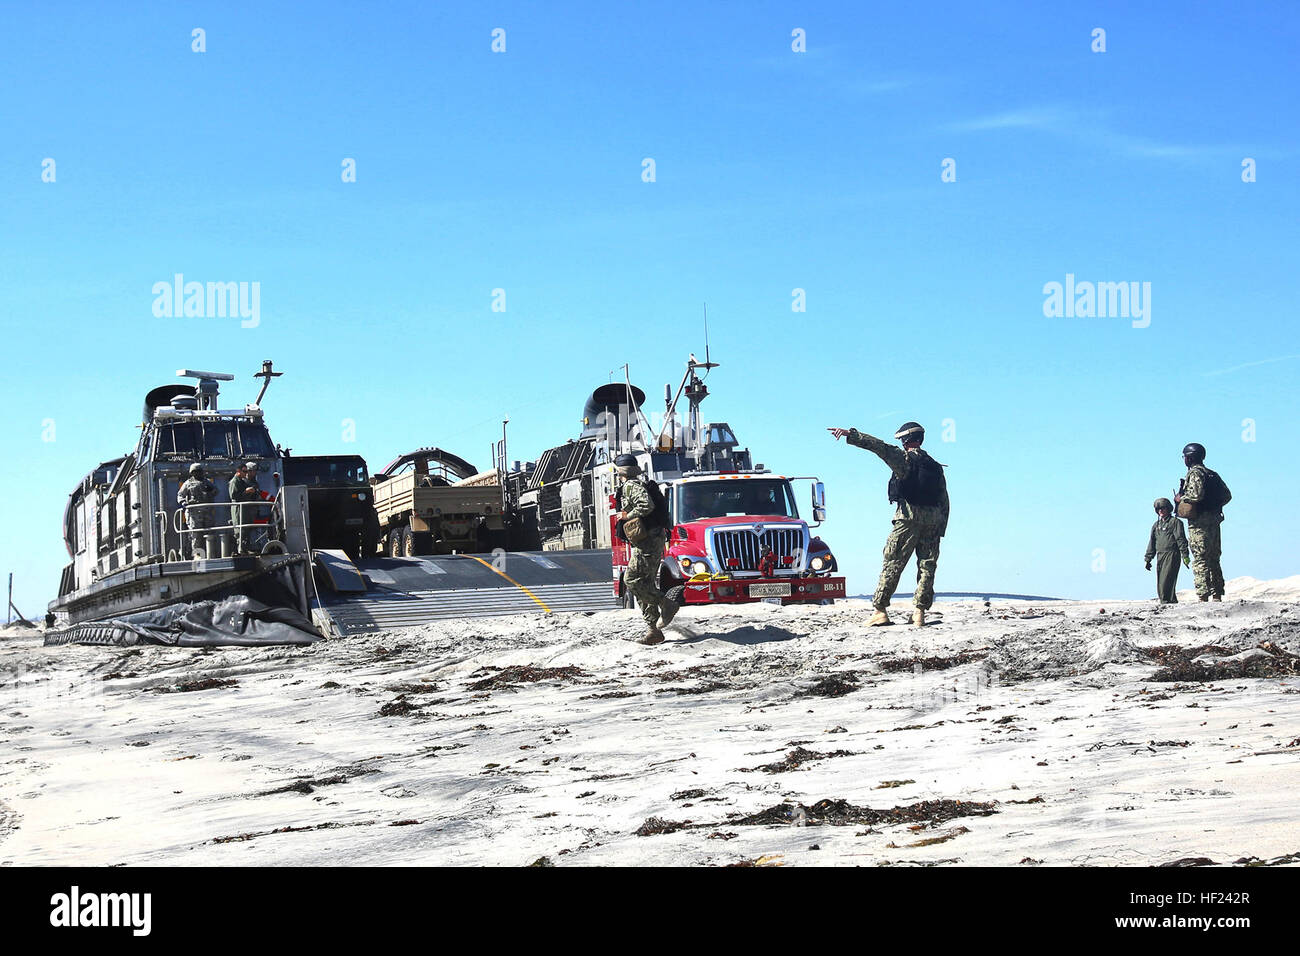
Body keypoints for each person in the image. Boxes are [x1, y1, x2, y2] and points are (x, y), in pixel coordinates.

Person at [829, 421, 949, 626]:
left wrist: (852, 434)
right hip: (933, 521)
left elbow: (880, 448)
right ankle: (919, 612)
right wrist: (940, 528)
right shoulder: (935, 467)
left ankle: (880, 610)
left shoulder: (904, 459)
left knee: (893, 562)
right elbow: (944, 500)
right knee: (927, 566)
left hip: (907, 519)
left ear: (905, 440)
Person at [613, 453, 673, 645]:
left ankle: (666, 604)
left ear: (620, 472)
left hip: (648, 542)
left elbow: (646, 505)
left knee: (631, 581)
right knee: (643, 583)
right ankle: (653, 630)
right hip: (648, 541)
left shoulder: (631, 486)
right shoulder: (635, 484)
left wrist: (626, 515)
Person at [1175, 442, 1231, 602]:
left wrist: (1181, 498)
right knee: (1214, 557)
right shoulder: (1212, 474)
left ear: (1190, 457)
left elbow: (1196, 495)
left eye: (1185, 457)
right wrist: (1213, 506)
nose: (1184, 460)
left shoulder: (1195, 473)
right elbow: (1227, 495)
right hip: (1214, 520)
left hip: (1199, 523)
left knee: (1200, 557)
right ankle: (1217, 594)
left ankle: (1203, 595)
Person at [1145, 498, 1189, 604]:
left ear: (1168, 509)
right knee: (1161, 581)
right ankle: (1170, 600)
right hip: (1160, 555)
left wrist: (1185, 555)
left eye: (1163, 508)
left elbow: (1181, 539)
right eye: (1158, 509)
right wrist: (1148, 558)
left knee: (1167, 579)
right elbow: (1152, 542)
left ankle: (1166, 601)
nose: (1160, 510)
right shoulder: (1156, 525)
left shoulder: (1175, 522)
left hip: (1172, 554)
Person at [177, 463, 218, 558]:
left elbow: (216, 491)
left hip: (207, 512)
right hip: (194, 513)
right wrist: (184, 502)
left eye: (200, 471)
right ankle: (198, 554)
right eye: (196, 472)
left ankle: (210, 554)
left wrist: (210, 492)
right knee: (196, 535)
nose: (198, 474)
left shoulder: (206, 482)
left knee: (210, 532)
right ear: (192, 473)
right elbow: (180, 495)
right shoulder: (188, 483)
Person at [228, 461, 263, 554]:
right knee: (240, 530)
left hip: (247, 509)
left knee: (246, 529)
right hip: (239, 509)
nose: (246, 473)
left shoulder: (248, 481)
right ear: (239, 471)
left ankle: (245, 549)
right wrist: (246, 492)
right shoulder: (236, 481)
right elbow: (234, 496)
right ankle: (241, 550)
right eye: (245, 471)